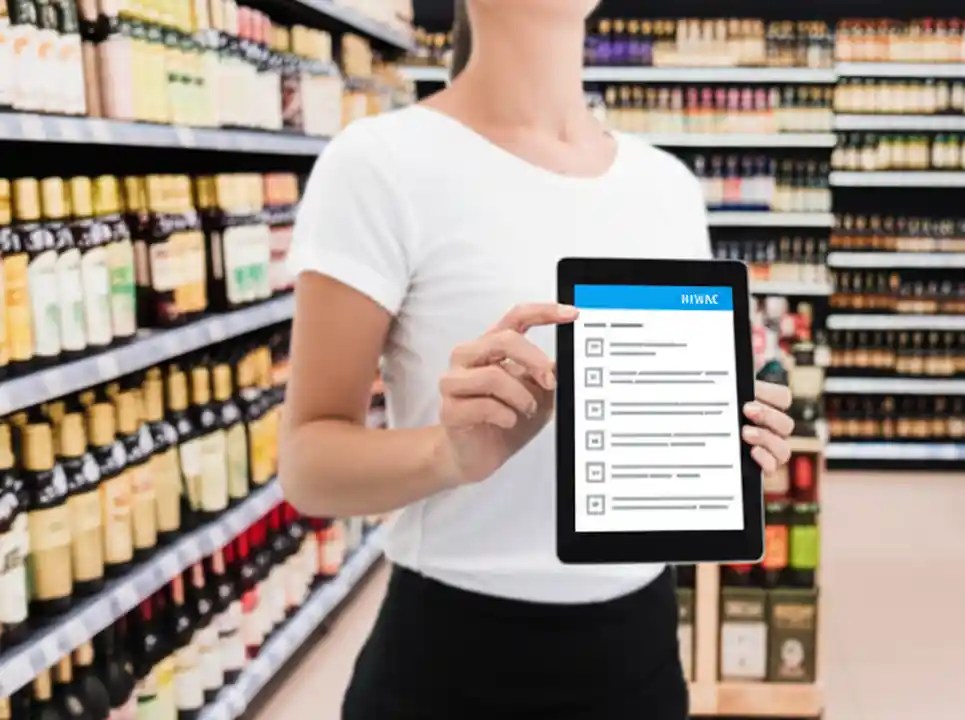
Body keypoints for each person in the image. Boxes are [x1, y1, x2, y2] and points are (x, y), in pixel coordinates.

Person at [278, 0, 796, 717]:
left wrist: (726, 442)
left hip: (641, 649)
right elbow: (307, 466)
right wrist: (448, 456)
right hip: (452, 662)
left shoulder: (668, 186)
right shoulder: (379, 164)